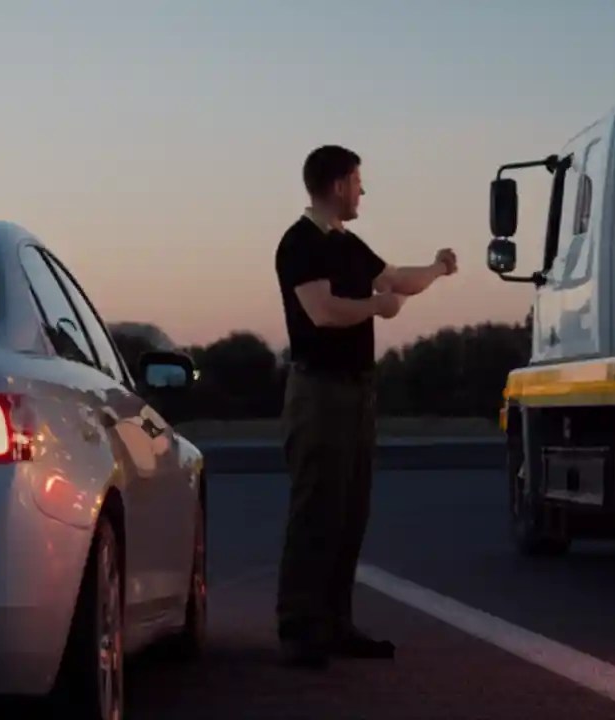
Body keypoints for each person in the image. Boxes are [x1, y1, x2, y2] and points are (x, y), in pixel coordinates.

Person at [273, 145, 457, 668]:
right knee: (316, 510)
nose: (362, 191)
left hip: (357, 392)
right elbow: (322, 311)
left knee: (351, 511)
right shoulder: (300, 244)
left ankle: (334, 624)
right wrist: (377, 307)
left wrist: (440, 268)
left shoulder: (348, 244)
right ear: (336, 186)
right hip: (319, 392)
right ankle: (299, 629)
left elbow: (397, 280)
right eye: (357, 182)